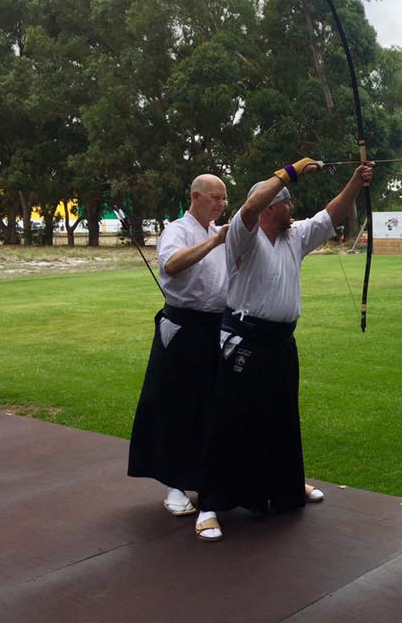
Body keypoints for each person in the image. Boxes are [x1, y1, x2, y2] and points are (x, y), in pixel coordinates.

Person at [194, 156, 374, 541]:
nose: (292, 208)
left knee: (281, 419)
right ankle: (210, 504)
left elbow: (330, 215)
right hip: (244, 341)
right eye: (286, 202)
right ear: (271, 208)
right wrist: (289, 172)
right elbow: (251, 205)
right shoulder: (244, 235)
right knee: (230, 423)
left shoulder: (295, 236)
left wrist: (356, 183)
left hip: (279, 343)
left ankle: (288, 487)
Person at [127, 173, 229, 517]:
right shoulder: (177, 230)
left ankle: (204, 476)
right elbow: (171, 264)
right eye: (215, 197)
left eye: (224, 198)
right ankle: (174, 485)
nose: (221, 204)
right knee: (177, 405)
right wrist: (214, 243)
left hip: (215, 327)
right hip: (183, 329)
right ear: (196, 197)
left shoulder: (217, 232)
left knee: (210, 406)